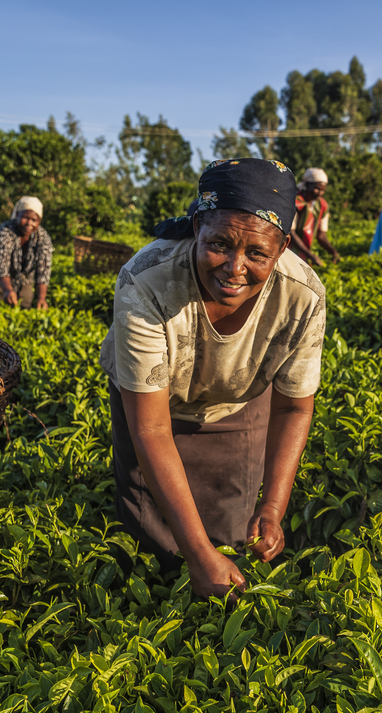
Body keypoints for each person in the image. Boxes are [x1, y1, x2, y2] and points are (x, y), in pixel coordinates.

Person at [100, 158, 326, 599]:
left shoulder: (303, 296)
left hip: (239, 402)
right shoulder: (147, 280)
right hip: (152, 405)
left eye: (257, 253)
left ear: (281, 249)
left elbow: (295, 405)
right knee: (153, 538)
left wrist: (273, 508)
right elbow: (149, 427)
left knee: (231, 528)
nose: (234, 268)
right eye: (219, 244)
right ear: (198, 225)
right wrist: (199, 556)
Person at [0, 196, 53, 309]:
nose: (29, 223)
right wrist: (8, 290)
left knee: (25, 304)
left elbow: (44, 272)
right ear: (17, 215)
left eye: (34, 220)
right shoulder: (6, 231)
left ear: (39, 222)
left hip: (23, 272)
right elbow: (2, 267)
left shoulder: (43, 239)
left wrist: (41, 298)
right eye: (25, 218)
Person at [291, 168, 341, 266]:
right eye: (317, 188)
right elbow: (291, 233)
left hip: (305, 253)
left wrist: (333, 251)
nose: (320, 193)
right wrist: (310, 255)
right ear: (308, 185)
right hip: (289, 251)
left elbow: (321, 235)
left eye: (323, 190)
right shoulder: (295, 202)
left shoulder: (322, 206)